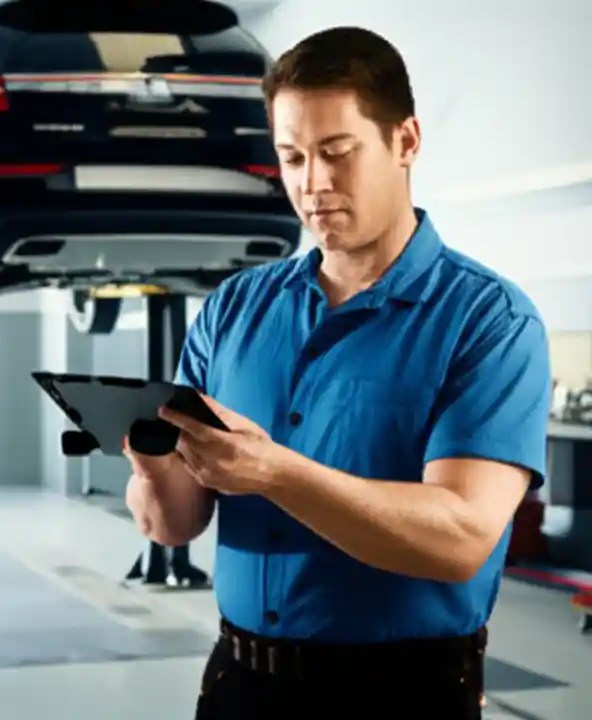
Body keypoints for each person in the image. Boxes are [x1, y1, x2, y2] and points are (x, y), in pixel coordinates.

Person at [123, 25, 550, 719]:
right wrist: (151, 467)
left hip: (401, 695)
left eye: (336, 152)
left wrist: (273, 471)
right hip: (239, 682)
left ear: (406, 141)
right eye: (291, 157)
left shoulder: (489, 322)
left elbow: (461, 537)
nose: (311, 183)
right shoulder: (233, 310)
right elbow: (173, 527)